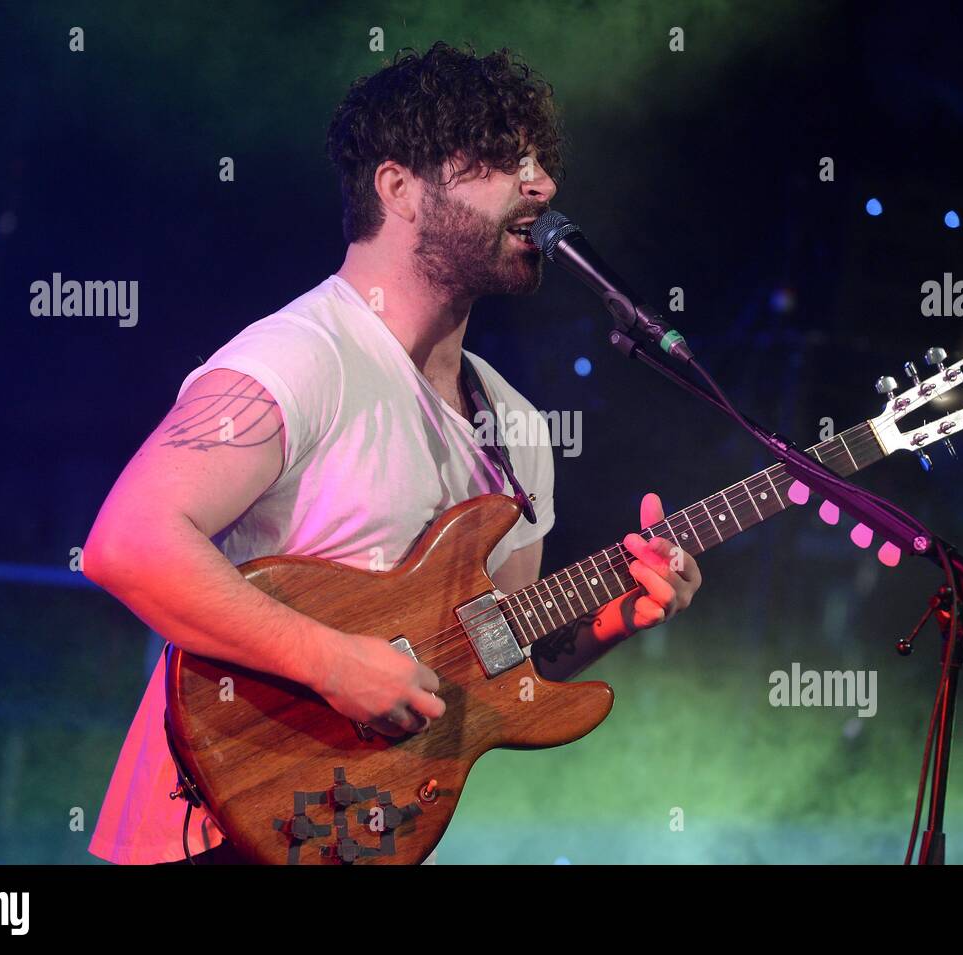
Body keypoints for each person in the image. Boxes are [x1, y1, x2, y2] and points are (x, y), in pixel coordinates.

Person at [83, 41, 701, 865]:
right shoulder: (301, 357)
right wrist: (334, 662)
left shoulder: (514, 425)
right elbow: (128, 545)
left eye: (542, 162)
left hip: (359, 832)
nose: (543, 185)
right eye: (502, 159)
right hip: (211, 825)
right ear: (399, 187)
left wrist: (615, 617)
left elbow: (505, 658)